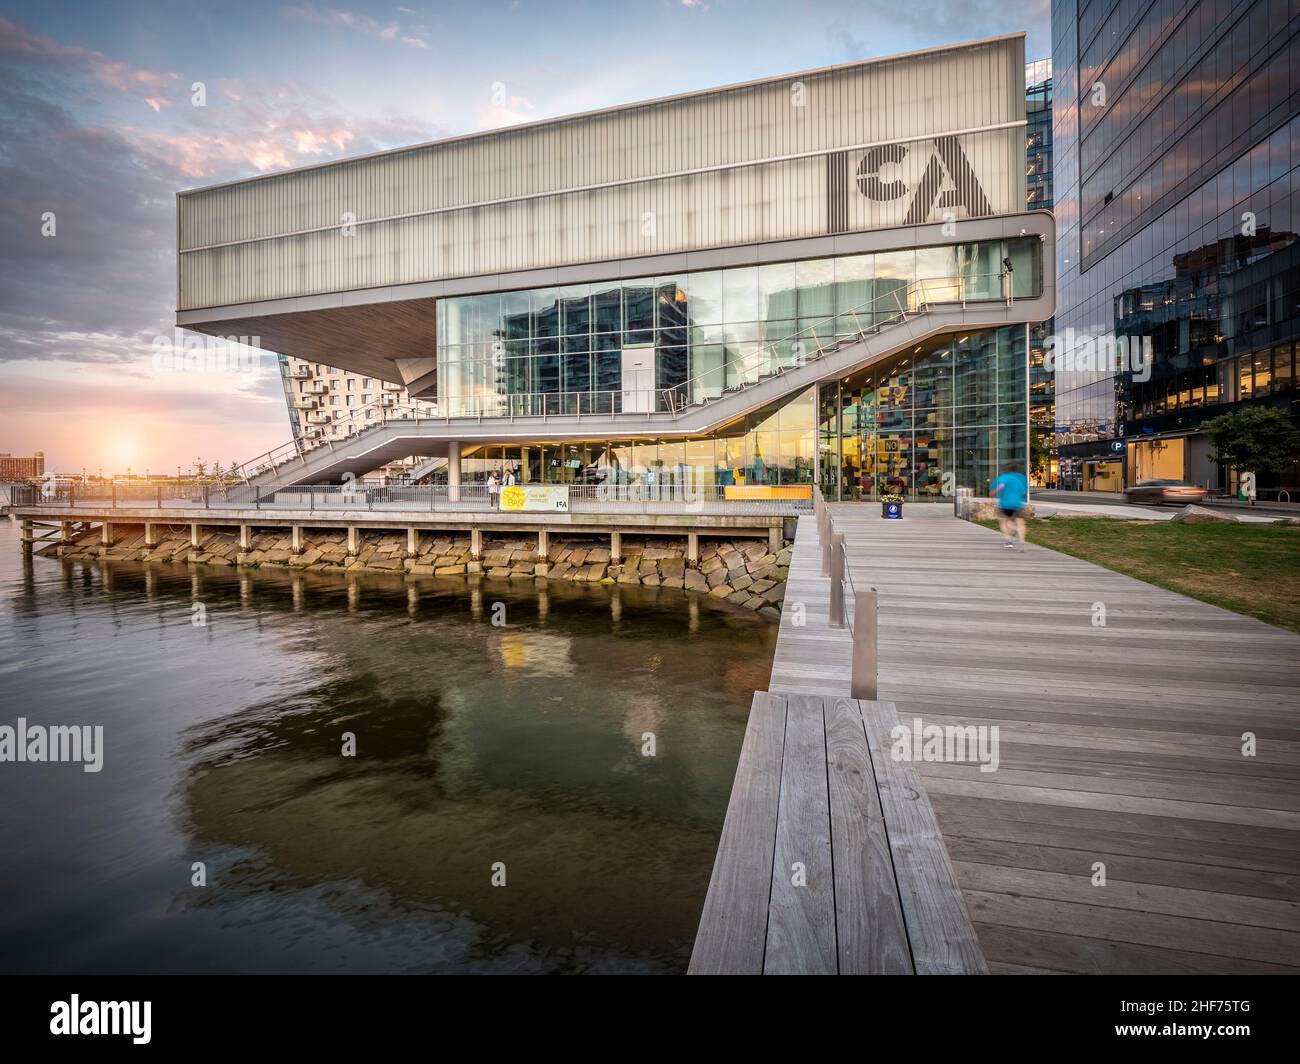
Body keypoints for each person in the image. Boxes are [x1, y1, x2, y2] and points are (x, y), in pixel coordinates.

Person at [990, 462, 1029, 550]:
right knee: (1020, 522)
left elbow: (1001, 485)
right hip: (1018, 504)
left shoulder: (1003, 477)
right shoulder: (1021, 478)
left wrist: (994, 493)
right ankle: (1022, 540)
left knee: (1004, 522)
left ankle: (1009, 541)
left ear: (1006, 470)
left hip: (1005, 504)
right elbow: (1024, 491)